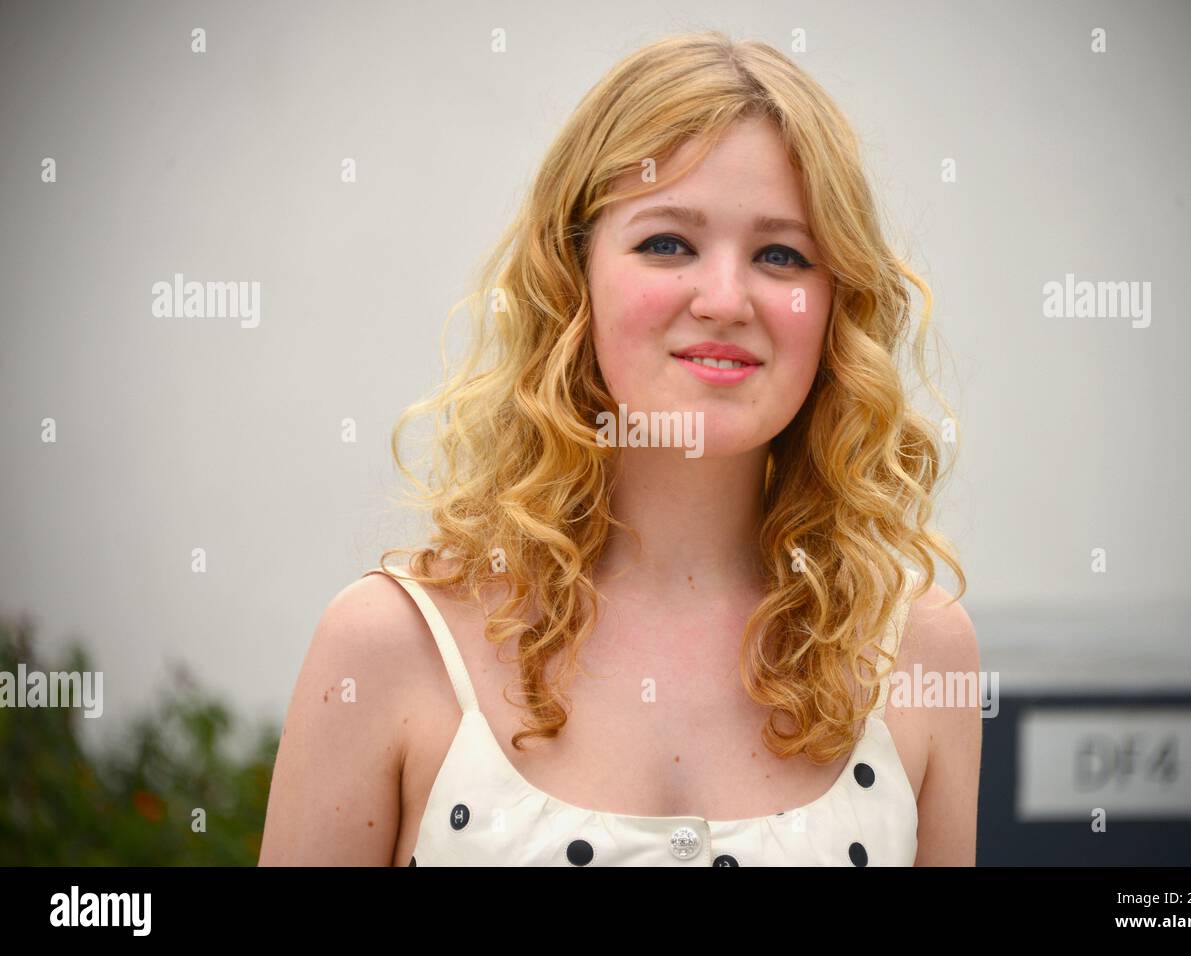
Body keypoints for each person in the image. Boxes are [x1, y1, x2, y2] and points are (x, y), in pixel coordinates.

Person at [260, 30, 980, 867]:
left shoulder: (922, 653)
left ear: (834, 308)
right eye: (667, 242)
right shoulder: (390, 646)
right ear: (573, 280)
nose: (723, 298)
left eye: (781, 255)